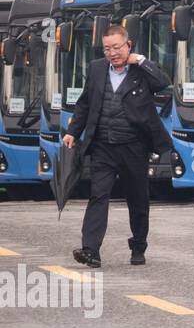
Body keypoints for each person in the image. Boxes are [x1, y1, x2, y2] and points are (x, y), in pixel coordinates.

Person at [64, 24, 172, 268]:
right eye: (107, 48)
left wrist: (141, 61)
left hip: (134, 146)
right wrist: (73, 132)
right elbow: (84, 104)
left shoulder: (141, 70)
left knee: (137, 198)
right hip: (103, 145)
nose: (112, 53)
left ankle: (138, 245)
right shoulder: (96, 69)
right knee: (98, 196)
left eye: (116, 47)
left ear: (128, 45)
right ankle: (90, 250)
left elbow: (162, 83)